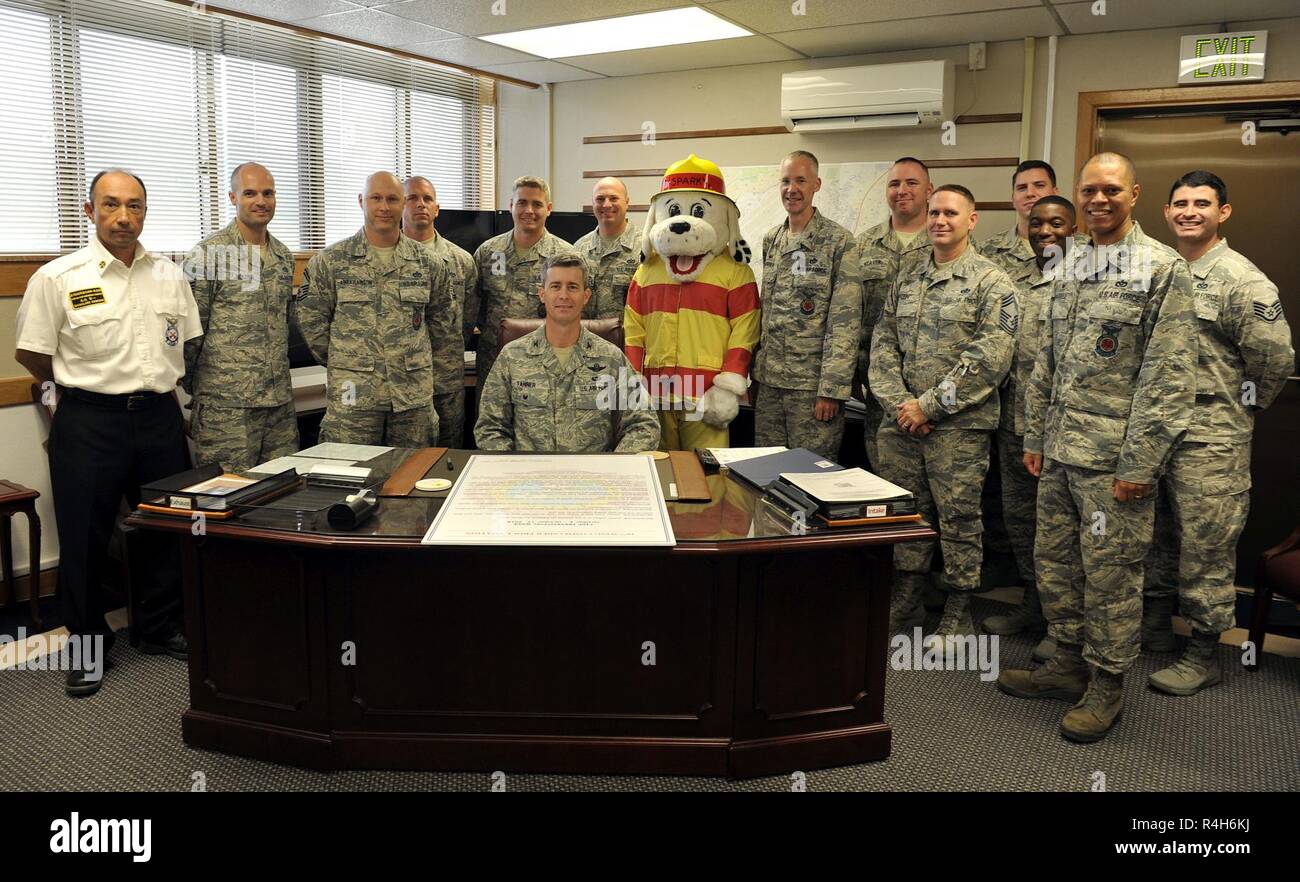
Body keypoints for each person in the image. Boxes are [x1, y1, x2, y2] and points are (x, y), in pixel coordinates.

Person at [999, 152, 1197, 743]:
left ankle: (1107, 686)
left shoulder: (1161, 269)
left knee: (1111, 577)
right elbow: (1047, 361)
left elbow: (1168, 377)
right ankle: (1065, 663)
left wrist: (1140, 464)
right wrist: (1034, 435)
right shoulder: (1070, 262)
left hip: (1114, 463)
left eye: (1111, 190)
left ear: (1134, 194)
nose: (1099, 200)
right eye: (1090, 191)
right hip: (1059, 453)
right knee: (1056, 565)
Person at [15, 169, 202, 695]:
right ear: (89, 210)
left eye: (135, 205)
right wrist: (81, 393)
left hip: (160, 418)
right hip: (90, 422)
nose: (125, 216)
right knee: (84, 536)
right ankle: (88, 647)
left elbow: (181, 343)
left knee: (166, 528)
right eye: (112, 205)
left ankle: (160, 627)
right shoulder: (57, 278)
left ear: (146, 210)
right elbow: (32, 353)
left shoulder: (170, 275)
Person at [1141, 170, 1294, 694]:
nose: (1189, 212)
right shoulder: (1154, 268)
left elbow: (1272, 360)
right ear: (1165, 212)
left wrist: (1236, 408)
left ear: (1222, 213)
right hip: (1152, 432)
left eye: (1201, 203)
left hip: (1211, 439)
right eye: (1179, 203)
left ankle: (1203, 651)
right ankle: (1155, 625)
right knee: (1155, 533)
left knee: (1205, 543)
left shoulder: (1241, 280)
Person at [869, 184, 1017, 647]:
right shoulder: (906, 277)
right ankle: (907, 595)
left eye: (951, 213)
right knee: (906, 514)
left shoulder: (994, 284)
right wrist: (901, 405)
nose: (940, 221)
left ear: (972, 220)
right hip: (901, 424)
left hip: (960, 427)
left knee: (958, 518)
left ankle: (958, 609)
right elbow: (883, 345)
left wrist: (928, 406)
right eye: (934, 213)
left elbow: (989, 359)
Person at [294, 171, 453, 446]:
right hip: (353, 398)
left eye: (392, 199)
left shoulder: (429, 264)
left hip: (411, 397)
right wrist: (350, 362)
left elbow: (442, 324)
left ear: (402, 203)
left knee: (411, 477)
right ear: (361, 201)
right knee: (348, 475)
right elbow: (312, 325)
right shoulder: (330, 262)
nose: (383, 207)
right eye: (375, 198)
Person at [976, 161, 1061, 658]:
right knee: (1021, 520)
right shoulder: (996, 259)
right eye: (1022, 190)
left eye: (1040, 189)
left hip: (1067, 428)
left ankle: (1064, 625)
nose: (1031, 198)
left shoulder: (1092, 267)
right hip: (1012, 418)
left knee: (1061, 530)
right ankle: (1032, 601)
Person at [475, 255, 659, 452]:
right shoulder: (512, 357)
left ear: (586, 296)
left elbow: (643, 425)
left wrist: (613, 466)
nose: (564, 295)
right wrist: (516, 469)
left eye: (572, 287)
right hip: (530, 477)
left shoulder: (610, 358)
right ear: (542, 294)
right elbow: (490, 428)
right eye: (555, 286)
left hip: (592, 477)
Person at [183, 161, 298, 471]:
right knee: (226, 497)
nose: (260, 201)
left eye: (268, 193)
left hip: (278, 405)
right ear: (233, 198)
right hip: (227, 408)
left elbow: (283, 325)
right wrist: (199, 388)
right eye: (250, 193)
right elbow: (192, 333)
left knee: (282, 495)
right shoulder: (208, 254)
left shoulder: (283, 256)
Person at [752, 150, 862, 458]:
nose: (792, 189)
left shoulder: (839, 242)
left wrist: (831, 390)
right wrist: (756, 376)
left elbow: (845, 321)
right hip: (770, 385)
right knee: (766, 472)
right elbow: (766, 313)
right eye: (785, 181)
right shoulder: (772, 239)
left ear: (817, 184)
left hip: (812, 390)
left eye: (801, 180)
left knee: (813, 477)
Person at [855, 157, 934, 469]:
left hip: (932, 393)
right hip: (877, 390)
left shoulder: (946, 240)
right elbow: (849, 316)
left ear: (929, 190)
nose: (902, 190)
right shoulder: (863, 245)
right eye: (894, 183)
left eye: (911, 183)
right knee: (884, 482)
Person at [471, 175, 578, 387]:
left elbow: (576, 313)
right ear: (511, 206)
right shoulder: (488, 252)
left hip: (545, 364)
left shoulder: (566, 257)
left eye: (537, 204)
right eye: (522, 203)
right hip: (493, 362)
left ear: (548, 209)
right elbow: (474, 307)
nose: (529, 210)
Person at [402, 175, 478, 448]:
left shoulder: (462, 261)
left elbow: (468, 318)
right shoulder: (389, 256)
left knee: (449, 452)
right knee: (407, 458)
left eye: (427, 199)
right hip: (402, 382)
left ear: (437, 208)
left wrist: (448, 351)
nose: (420, 204)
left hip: (446, 377)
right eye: (412, 198)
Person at [574, 176, 642, 320]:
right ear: (593, 204)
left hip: (627, 339)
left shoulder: (644, 248)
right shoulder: (579, 249)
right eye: (600, 199)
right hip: (586, 339)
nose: (606, 205)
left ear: (627, 202)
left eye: (613, 198)